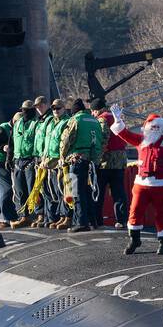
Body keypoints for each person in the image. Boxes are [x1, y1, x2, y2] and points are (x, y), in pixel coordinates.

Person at [110, 107, 163, 255]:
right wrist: (118, 120)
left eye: (158, 126)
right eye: (153, 126)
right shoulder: (140, 140)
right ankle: (134, 239)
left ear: (162, 128)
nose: (155, 129)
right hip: (142, 184)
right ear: (146, 127)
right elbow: (124, 134)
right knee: (135, 211)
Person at [59, 99, 104, 233]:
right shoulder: (95, 120)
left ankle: (80, 222)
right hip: (92, 160)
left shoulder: (75, 120)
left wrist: (63, 157)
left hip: (76, 159)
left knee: (76, 192)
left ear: (74, 111)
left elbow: (66, 140)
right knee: (88, 190)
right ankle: (92, 221)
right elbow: (101, 140)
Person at [92, 98, 129, 229]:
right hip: (120, 160)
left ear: (97, 110)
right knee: (118, 192)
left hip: (106, 161)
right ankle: (122, 220)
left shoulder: (103, 119)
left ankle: (97, 220)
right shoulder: (115, 117)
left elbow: (103, 139)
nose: (92, 114)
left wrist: (96, 158)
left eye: (93, 111)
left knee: (99, 192)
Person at [10, 99, 40, 227]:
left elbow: (39, 142)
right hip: (18, 160)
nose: (25, 112)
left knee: (33, 189)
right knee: (20, 190)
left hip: (30, 160)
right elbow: (12, 142)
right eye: (24, 110)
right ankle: (24, 216)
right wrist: (9, 158)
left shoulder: (36, 123)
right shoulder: (18, 124)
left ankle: (38, 215)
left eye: (27, 110)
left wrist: (36, 159)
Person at [41, 99, 69, 228]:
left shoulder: (66, 122)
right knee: (54, 190)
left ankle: (66, 217)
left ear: (63, 108)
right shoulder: (51, 123)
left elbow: (65, 143)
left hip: (59, 160)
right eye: (53, 109)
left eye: (58, 108)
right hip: (49, 160)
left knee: (64, 190)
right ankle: (60, 216)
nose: (55, 111)